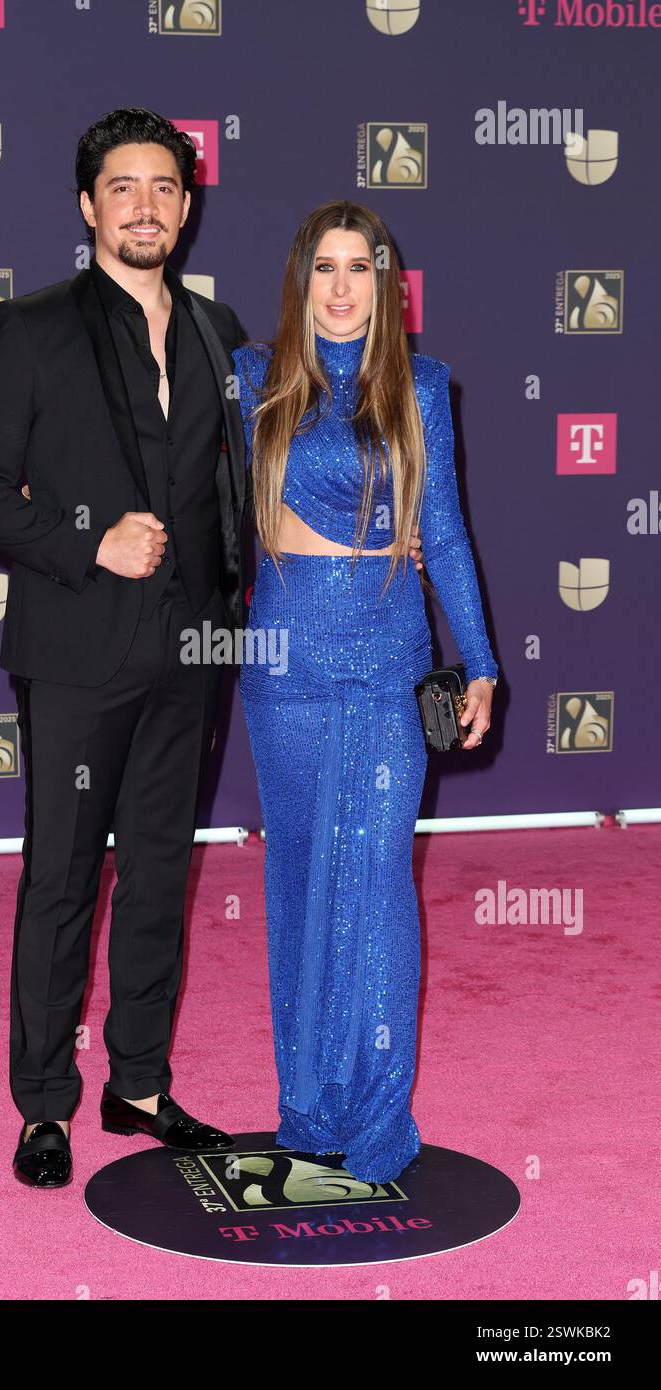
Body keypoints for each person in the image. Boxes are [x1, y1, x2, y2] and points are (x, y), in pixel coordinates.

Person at [0, 108, 253, 1187]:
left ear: (188, 203)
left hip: (189, 657)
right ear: (87, 206)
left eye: (164, 187)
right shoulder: (30, 327)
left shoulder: (219, 330)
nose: (146, 207)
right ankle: (43, 1103)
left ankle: (139, 1083)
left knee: (162, 873)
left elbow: (237, 490)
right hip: (76, 652)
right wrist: (88, 540)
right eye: (122, 187)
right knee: (65, 879)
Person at [232, 200, 498, 1184]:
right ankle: (308, 1103)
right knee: (299, 878)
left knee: (379, 882)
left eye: (360, 268)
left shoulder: (421, 388)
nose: (342, 288)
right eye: (324, 268)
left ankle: (383, 1113)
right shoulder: (252, 380)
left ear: (385, 286)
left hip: (384, 657)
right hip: (282, 664)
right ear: (300, 282)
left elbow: (452, 535)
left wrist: (481, 660)